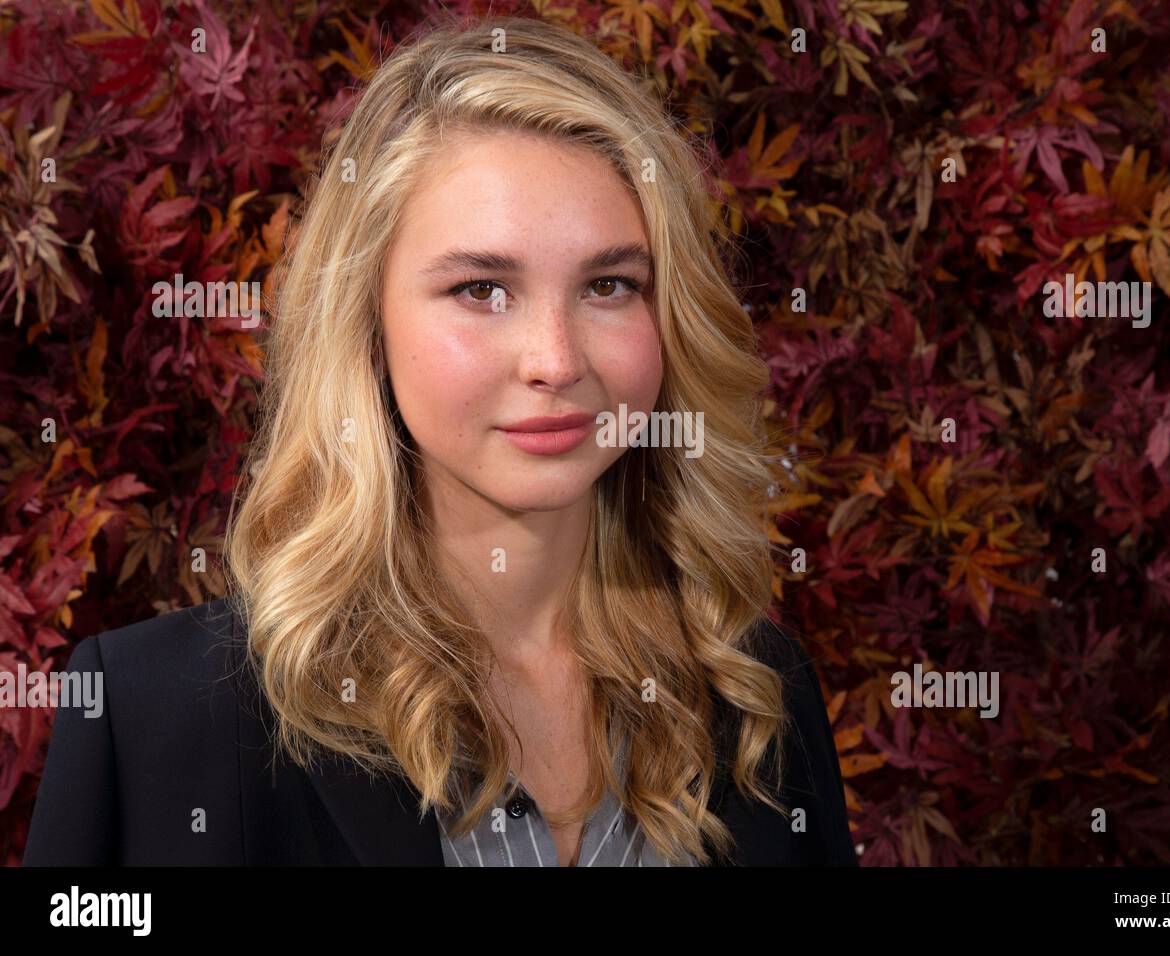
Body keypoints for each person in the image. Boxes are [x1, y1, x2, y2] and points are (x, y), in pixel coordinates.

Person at [23, 14, 856, 867]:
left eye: (609, 284)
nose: (556, 361)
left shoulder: (755, 694)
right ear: (368, 324)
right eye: (481, 289)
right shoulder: (153, 714)